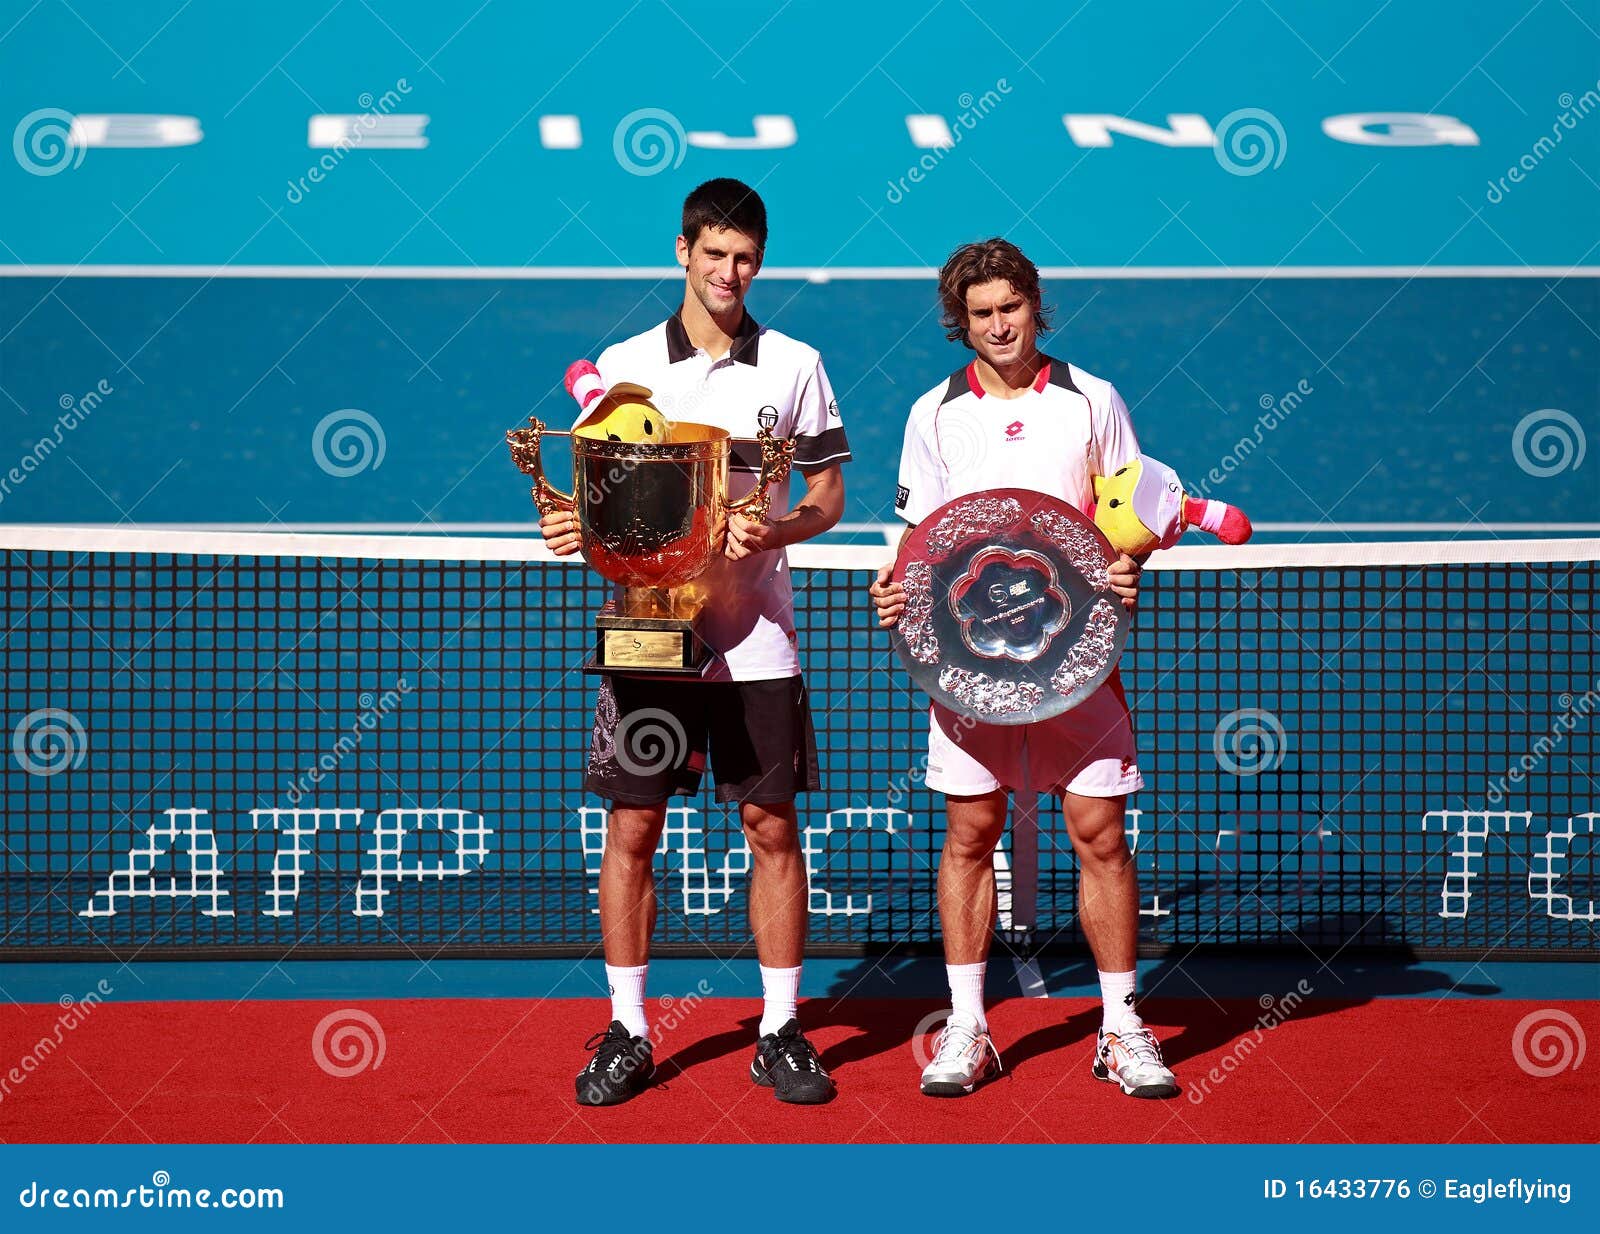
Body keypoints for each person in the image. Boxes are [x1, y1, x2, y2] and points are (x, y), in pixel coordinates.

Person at [541, 179, 850, 1106]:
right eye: (713, 254)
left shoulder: (795, 364)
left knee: (771, 828)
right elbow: (609, 515)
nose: (730, 272)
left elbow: (828, 498)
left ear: (761, 260)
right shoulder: (629, 367)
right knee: (633, 828)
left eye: (745, 258)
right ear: (682, 252)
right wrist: (573, 531)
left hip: (757, 642)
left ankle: (782, 1029)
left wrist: (781, 532)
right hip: (648, 641)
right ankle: (630, 1030)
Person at [869, 238, 1179, 1100]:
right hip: (969, 667)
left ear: (1036, 305)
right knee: (970, 834)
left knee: (1100, 835)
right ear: (959, 323)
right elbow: (916, 540)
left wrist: (1132, 565)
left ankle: (1120, 1027)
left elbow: (1133, 513)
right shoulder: (933, 414)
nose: (999, 326)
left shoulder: (1093, 402)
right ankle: (967, 1025)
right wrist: (891, 586)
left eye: (1011, 307)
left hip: (1078, 662)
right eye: (981, 314)